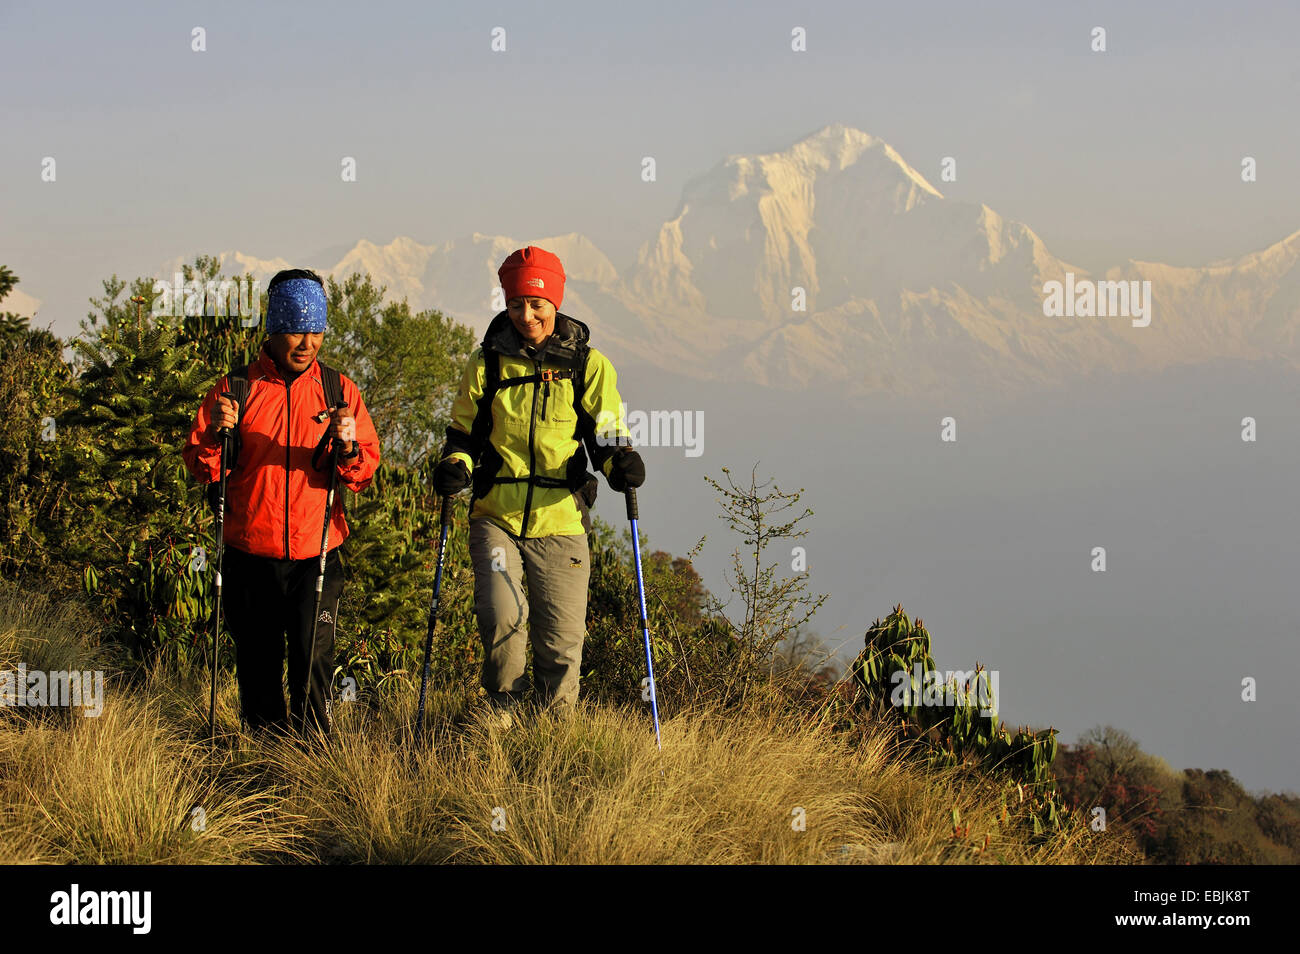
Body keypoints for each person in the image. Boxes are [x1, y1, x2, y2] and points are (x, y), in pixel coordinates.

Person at [433, 246, 645, 721]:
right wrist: (457, 465)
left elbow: (605, 435)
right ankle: (501, 722)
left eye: (536, 304)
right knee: (502, 618)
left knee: (561, 642)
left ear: (556, 302)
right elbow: (463, 434)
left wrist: (620, 464)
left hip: (561, 517)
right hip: (496, 517)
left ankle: (552, 738)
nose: (525, 316)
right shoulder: (486, 363)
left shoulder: (588, 365)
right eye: (514, 305)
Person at [183, 268, 380, 735]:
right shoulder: (234, 390)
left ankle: (313, 766)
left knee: (313, 666)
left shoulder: (339, 392)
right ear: (272, 329)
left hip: (318, 555)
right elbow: (200, 465)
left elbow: (363, 473)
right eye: (296, 330)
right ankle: (267, 768)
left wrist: (348, 446)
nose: (307, 342)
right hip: (249, 556)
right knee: (258, 671)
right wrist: (216, 432)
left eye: (316, 332)